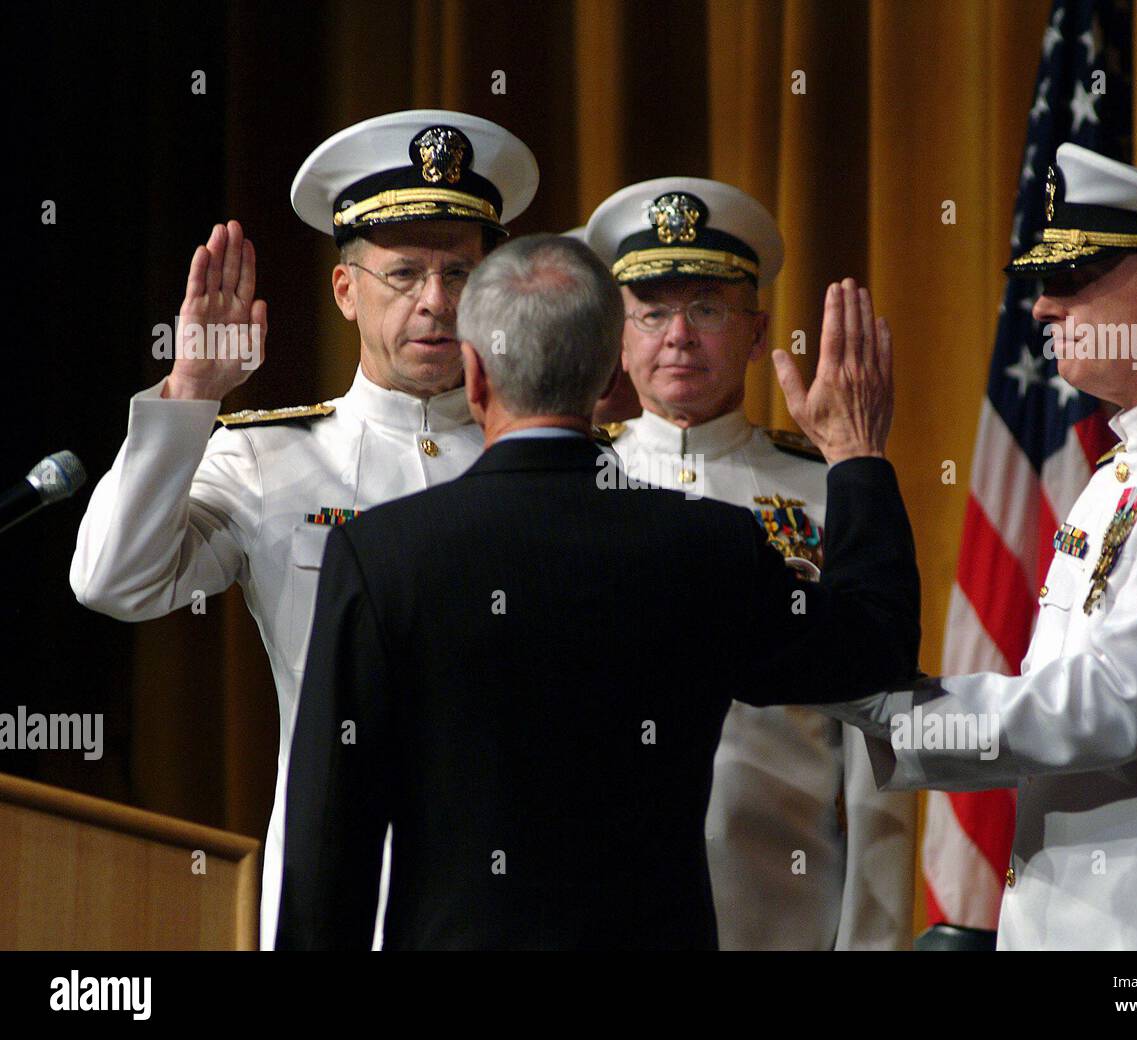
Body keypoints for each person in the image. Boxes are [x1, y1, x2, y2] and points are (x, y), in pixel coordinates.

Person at [275, 234, 920, 950]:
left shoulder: (381, 553)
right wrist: (857, 457)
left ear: (476, 372)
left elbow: (330, 838)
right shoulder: (707, 547)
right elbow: (875, 654)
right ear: (606, 369)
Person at [68, 110, 539, 949]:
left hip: (531, 896)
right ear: (346, 290)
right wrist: (189, 399)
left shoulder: (553, 463)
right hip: (342, 900)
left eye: (460, 273)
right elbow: (112, 581)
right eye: (403, 274)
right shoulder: (269, 458)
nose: (435, 302)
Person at [824, 143, 1137, 950]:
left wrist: (896, 714)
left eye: (1070, 283)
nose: (1041, 310)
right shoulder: (1130, 464)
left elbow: (1111, 703)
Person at [582, 178, 917, 949]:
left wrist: (873, 937)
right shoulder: (571, 484)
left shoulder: (830, 487)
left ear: (758, 331)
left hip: (781, 912)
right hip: (604, 913)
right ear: (619, 336)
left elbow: (880, 738)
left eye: (706, 308)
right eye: (654, 311)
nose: (678, 336)